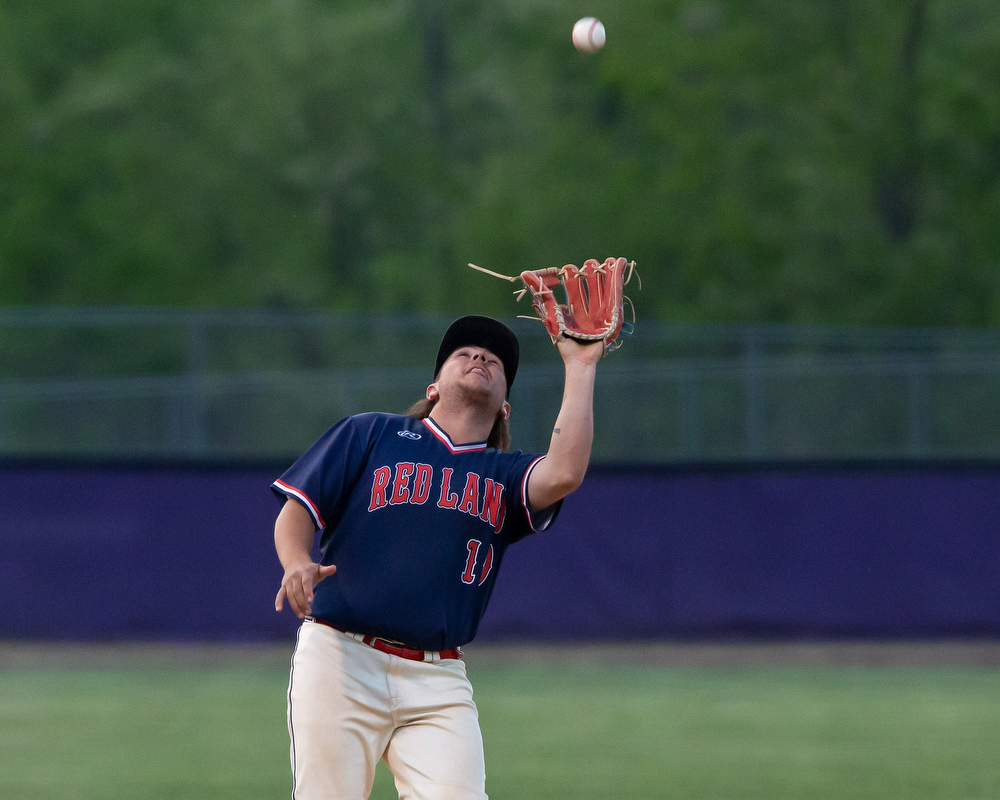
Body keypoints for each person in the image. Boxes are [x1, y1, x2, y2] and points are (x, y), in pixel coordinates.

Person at [271, 314, 603, 800]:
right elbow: (298, 508)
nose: (480, 357)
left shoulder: (505, 474)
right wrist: (296, 560)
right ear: (433, 386)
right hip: (342, 659)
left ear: (505, 406)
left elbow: (565, 473)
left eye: (494, 359)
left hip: (437, 677)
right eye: (464, 352)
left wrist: (580, 365)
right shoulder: (372, 434)